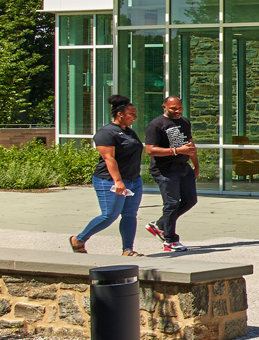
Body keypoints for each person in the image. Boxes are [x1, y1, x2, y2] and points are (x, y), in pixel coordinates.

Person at [71, 94, 146, 255]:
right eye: (131, 114)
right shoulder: (106, 133)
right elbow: (108, 158)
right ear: (120, 115)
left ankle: (127, 250)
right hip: (109, 181)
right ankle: (79, 239)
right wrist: (118, 181)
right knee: (109, 215)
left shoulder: (129, 132)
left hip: (133, 180)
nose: (135, 117)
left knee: (130, 215)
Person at [144, 95, 199, 252]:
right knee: (172, 203)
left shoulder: (184, 122)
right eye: (173, 108)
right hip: (165, 170)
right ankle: (170, 240)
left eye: (180, 108)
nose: (177, 111)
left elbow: (190, 144)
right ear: (164, 107)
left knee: (190, 200)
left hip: (183, 167)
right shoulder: (156, 125)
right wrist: (176, 151)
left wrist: (196, 165)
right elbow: (150, 149)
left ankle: (160, 225)